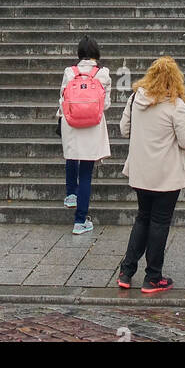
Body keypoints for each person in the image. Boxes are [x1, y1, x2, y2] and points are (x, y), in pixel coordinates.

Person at [118, 57, 185, 294]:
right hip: (166, 174)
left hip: (141, 171)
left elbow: (124, 130)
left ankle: (126, 270)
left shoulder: (135, 99)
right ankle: (153, 276)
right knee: (160, 222)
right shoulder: (175, 105)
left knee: (143, 218)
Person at [59, 35, 111, 234]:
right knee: (87, 172)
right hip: (92, 125)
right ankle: (79, 221)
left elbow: (62, 99)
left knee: (71, 156)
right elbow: (105, 104)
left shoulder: (69, 72)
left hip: (71, 122)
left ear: (79, 53)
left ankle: (71, 194)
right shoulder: (103, 73)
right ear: (96, 52)